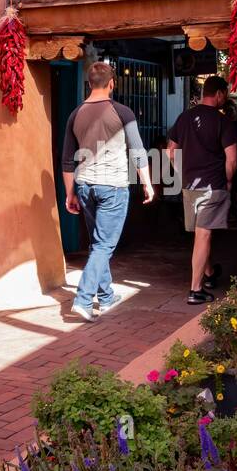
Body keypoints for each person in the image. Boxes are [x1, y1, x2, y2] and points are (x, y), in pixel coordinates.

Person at [61, 61, 155, 321]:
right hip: (112, 187)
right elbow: (137, 151)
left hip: (85, 187)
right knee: (104, 246)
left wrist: (70, 192)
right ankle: (83, 299)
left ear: (89, 84)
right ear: (112, 83)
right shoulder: (122, 112)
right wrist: (147, 182)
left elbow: (67, 160)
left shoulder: (75, 114)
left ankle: (106, 296)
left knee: (97, 244)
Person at [167, 75, 237, 304]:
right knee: (204, 234)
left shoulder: (184, 117)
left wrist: (183, 172)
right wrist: (228, 181)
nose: (224, 98)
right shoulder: (223, 122)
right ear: (218, 94)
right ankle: (195, 290)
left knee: (201, 234)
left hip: (190, 185)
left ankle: (208, 274)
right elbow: (232, 160)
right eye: (224, 94)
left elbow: (170, 151)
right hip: (212, 186)